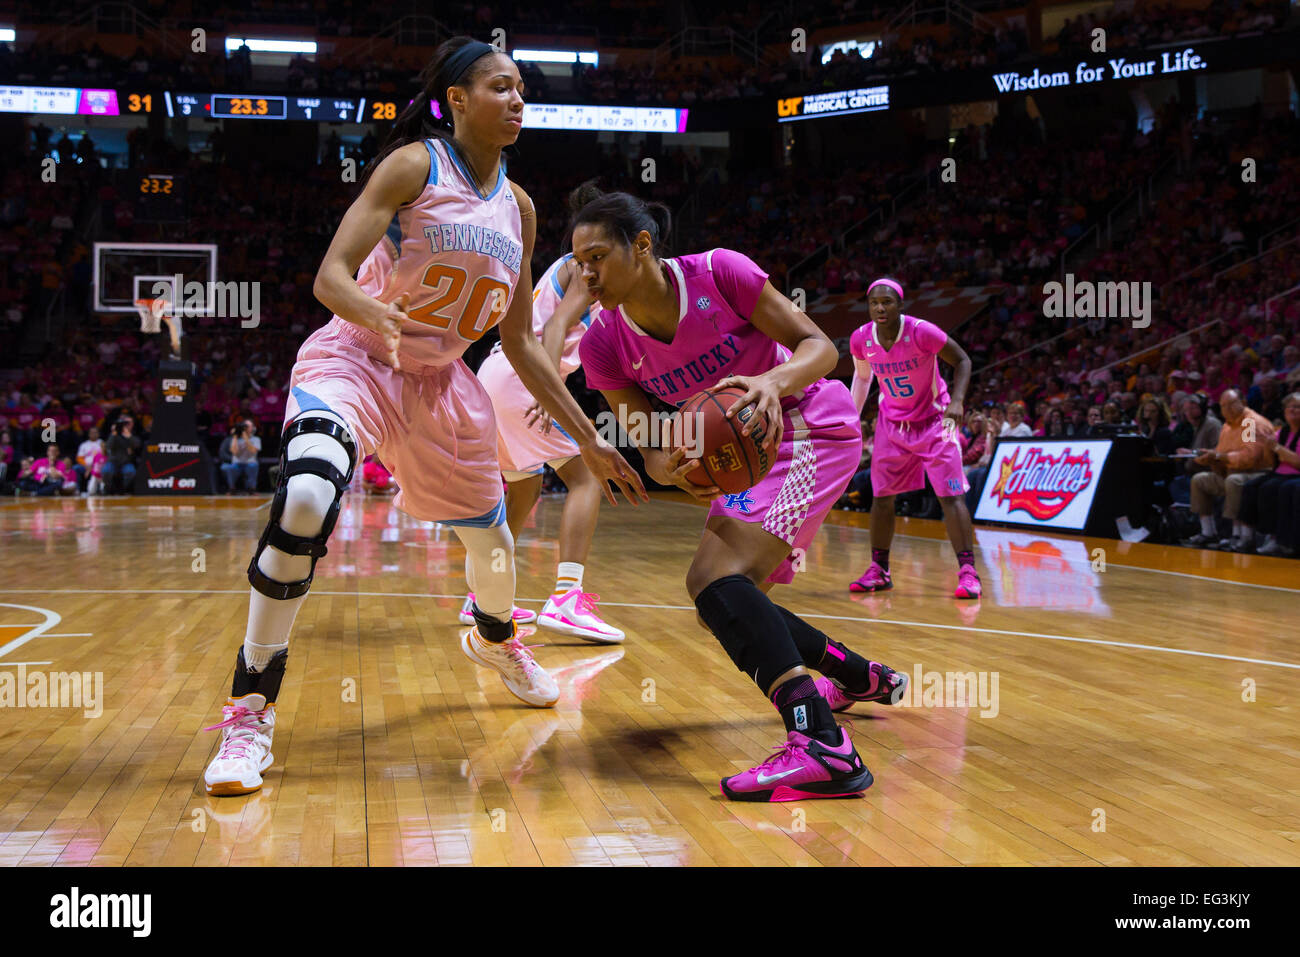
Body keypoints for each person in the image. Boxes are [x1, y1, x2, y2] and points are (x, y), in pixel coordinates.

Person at [202, 38, 645, 798]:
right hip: (358, 361)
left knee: (497, 551)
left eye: (522, 90)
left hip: (441, 386)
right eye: (500, 87)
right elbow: (329, 278)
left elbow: (519, 344)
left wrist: (588, 438)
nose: (517, 100)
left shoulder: (522, 208)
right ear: (457, 99)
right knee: (307, 499)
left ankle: (496, 639)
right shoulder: (414, 164)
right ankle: (249, 711)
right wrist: (372, 308)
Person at [573, 185, 906, 802]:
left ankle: (821, 744)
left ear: (641, 245)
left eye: (597, 257)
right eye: (578, 263)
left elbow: (821, 348)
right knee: (721, 599)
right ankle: (856, 676)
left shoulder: (719, 273)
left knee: (718, 583)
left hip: (809, 422)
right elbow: (648, 446)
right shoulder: (603, 345)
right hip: (743, 461)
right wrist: (675, 468)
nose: (586, 274)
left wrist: (769, 382)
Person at [466, 251, 623, 642]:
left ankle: (481, 598)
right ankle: (567, 599)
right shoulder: (585, 270)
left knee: (524, 488)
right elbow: (555, 327)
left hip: (496, 372)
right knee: (587, 476)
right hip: (525, 376)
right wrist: (548, 385)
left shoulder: (570, 266)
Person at [847, 279, 982, 599]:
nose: (880, 308)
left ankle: (968, 571)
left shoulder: (922, 331)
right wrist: (852, 417)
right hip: (892, 424)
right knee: (882, 497)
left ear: (900, 305)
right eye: (874, 303)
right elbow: (863, 378)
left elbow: (962, 360)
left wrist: (958, 401)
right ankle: (879, 569)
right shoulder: (860, 339)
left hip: (937, 421)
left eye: (887, 302)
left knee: (951, 496)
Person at [1183, 389, 1275, 549]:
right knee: (1200, 480)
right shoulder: (1227, 426)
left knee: (1234, 481)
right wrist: (1208, 456)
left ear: (1243, 403)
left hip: (1257, 473)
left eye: (1231, 404)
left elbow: (1249, 458)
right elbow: (1221, 452)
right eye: (1223, 406)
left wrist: (1219, 457)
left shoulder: (1249, 423)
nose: (1227, 409)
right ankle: (1208, 532)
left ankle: (1242, 536)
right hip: (1231, 470)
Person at [1239, 392, 1300, 555]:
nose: (1293, 410)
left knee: (1278, 488)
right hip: (1279, 473)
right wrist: (1267, 446)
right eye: (1290, 406)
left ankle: (1280, 540)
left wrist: (1277, 447)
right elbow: (1270, 463)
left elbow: (1298, 462)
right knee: (1251, 486)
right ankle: (1247, 537)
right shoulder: (1282, 432)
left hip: (1295, 475)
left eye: (1297, 407)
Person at [221, 419, 262, 493]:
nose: (245, 428)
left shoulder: (256, 439)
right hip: (237, 463)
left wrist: (245, 437)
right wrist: (235, 437)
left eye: (247, 426)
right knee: (230, 467)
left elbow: (253, 451)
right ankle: (232, 488)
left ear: (253, 428)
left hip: (250, 463)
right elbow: (234, 451)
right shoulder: (235, 439)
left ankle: (252, 488)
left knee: (253, 466)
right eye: (244, 427)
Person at [103, 415, 140, 494]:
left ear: (132, 424)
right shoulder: (114, 435)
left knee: (130, 472)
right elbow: (108, 446)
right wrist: (113, 433)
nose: (125, 425)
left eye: (128, 423)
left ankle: (123, 490)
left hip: (126, 462)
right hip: (112, 462)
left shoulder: (133, 434)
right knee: (106, 471)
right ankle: (109, 490)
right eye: (124, 423)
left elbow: (137, 445)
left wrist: (128, 435)